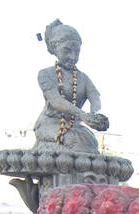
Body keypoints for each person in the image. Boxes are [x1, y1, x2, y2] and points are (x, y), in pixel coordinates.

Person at [33, 20, 107, 153]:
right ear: (55, 48)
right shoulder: (46, 74)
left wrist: (94, 115)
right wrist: (82, 115)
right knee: (74, 141)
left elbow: (95, 97)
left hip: (74, 124)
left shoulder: (83, 78)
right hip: (50, 122)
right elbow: (56, 100)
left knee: (91, 143)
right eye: (67, 51)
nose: (72, 57)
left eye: (76, 52)